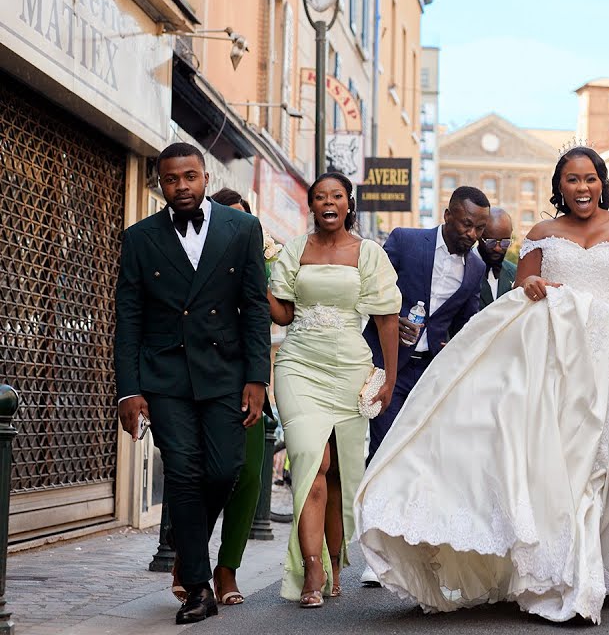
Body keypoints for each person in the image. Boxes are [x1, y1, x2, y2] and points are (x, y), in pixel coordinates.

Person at [354, 146, 609, 623]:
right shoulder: (541, 234)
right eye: (572, 180)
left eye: (589, 179)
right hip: (553, 359)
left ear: (602, 182)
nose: (582, 188)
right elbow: (521, 288)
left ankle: (601, 561)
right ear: (560, 186)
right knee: (558, 463)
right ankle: (559, 569)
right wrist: (529, 287)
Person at [114, 143, 270, 624]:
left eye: (189, 177)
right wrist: (128, 389)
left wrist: (257, 378)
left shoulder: (242, 229)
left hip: (225, 373)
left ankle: (190, 548)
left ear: (205, 177)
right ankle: (198, 588)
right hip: (165, 377)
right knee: (182, 472)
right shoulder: (140, 238)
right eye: (170, 179)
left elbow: (255, 308)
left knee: (226, 470)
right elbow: (129, 317)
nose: (180, 186)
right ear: (159, 183)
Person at [268, 172, 401, 607]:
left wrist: (389, 379)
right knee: (310, 458)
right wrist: (258, 278)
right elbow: (283, 314)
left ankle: (337, 561)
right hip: (298, 365)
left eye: (337, 195)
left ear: (348, 204)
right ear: (312, 205)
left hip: (349, 368)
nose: (329, 202)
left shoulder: (369, 253)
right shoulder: (294, 249)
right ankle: (311, 568)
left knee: (341, 473)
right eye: (321, 196)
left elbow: (386, 319)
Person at [358, 186, 489, 586]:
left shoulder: (477, 269)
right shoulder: (405, 241)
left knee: (417, 457)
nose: (472, 235)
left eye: (480, 229)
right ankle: (373, 551)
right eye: (467, 224)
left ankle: (403, 542)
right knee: (384, 450)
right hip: (385, 365)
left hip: (428, 375)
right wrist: (388, 317)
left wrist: (453, 345)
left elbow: (466, 324)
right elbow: (366, 289)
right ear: (448, 215)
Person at [478, 207, 517, 308]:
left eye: (505, 243)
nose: (498, 248)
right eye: (491, 242)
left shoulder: (515, 273)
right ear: (479, 234)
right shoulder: (461, 266)